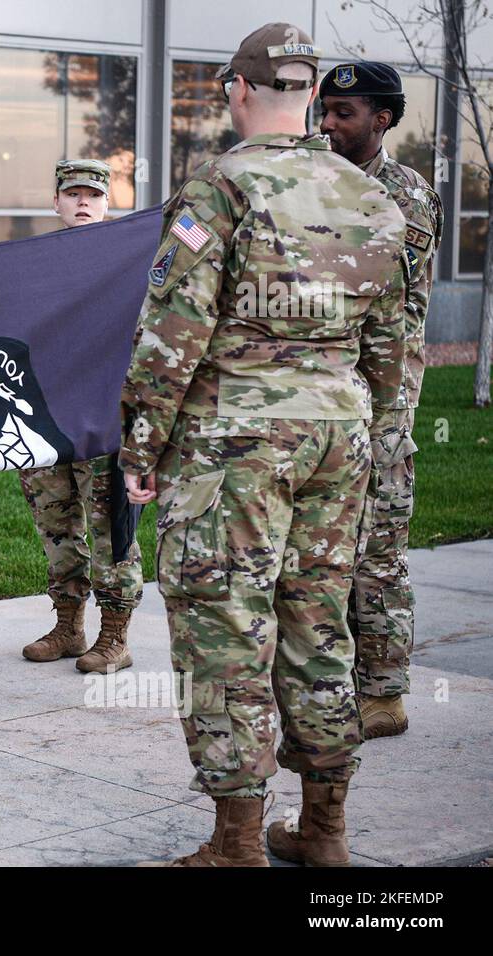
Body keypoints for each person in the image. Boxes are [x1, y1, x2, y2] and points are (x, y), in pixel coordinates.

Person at [119, 24, 408, 866]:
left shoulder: (221, 188)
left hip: (235, 442)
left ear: (238, 92)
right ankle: (324, 835)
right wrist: (369, 429)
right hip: (340, 437)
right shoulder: (370, 199)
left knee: (225, 630)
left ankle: (236, 842)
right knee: (320, 623)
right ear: (312, 97)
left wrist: (140, 446)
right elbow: (390, 347)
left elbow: (170, 334)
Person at [320, 62, 444, 739]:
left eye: (344, 112)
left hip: (382, 399)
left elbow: (383, 302)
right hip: (326, 395)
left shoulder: (404, 194)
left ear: (383, 119)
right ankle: (331, 684)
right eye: (325, 110)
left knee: (377, 548)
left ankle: (385, 694)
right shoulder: (316, 178)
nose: (328, 123)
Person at [19, 159, 144, 672]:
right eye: (73, 194)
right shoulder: (33, 261)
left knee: (111, 527)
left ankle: (114, 635)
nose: (83, 202)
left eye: (93, 194)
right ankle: (68, 626)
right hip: (45, 415)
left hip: (106, 417)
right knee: (55, 523)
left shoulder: (130, 259)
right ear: (56, 202)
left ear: (108, 202)